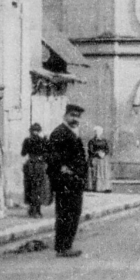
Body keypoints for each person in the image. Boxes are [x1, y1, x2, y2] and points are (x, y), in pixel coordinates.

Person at [47, 104, 89, 257]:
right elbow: (52, 157)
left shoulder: (73, 133)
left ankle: (67, 245)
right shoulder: (59, 133)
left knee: (74, 213)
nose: (75, 119)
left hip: (75, 182)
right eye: (72, 115)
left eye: (77, 116)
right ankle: (62, 246)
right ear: (65, 115)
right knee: (65, 213)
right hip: (65, 182)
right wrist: (63, 169)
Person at [20, 122, 51, 218]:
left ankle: (32, 209)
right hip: (40, 165)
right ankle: (37, 210)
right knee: (39, 187)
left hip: (30, 165)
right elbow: (47, 153)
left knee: (30, 187)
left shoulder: (27, 140)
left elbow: (23, 153)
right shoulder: (43, 140)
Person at [87, 126, 112, 193]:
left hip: (103, 159)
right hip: (95, 158)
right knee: (96, 172)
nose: (98, 133)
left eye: (100, 131)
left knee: (104, 172)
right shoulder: (92, 141)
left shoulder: (104, 140)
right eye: (97, 131)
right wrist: (97, 153)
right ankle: (95, 187)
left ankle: (105, 187)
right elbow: (90, 150)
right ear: (95, 132)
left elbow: (107, 149)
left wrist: (104, 153)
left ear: (101, 132)